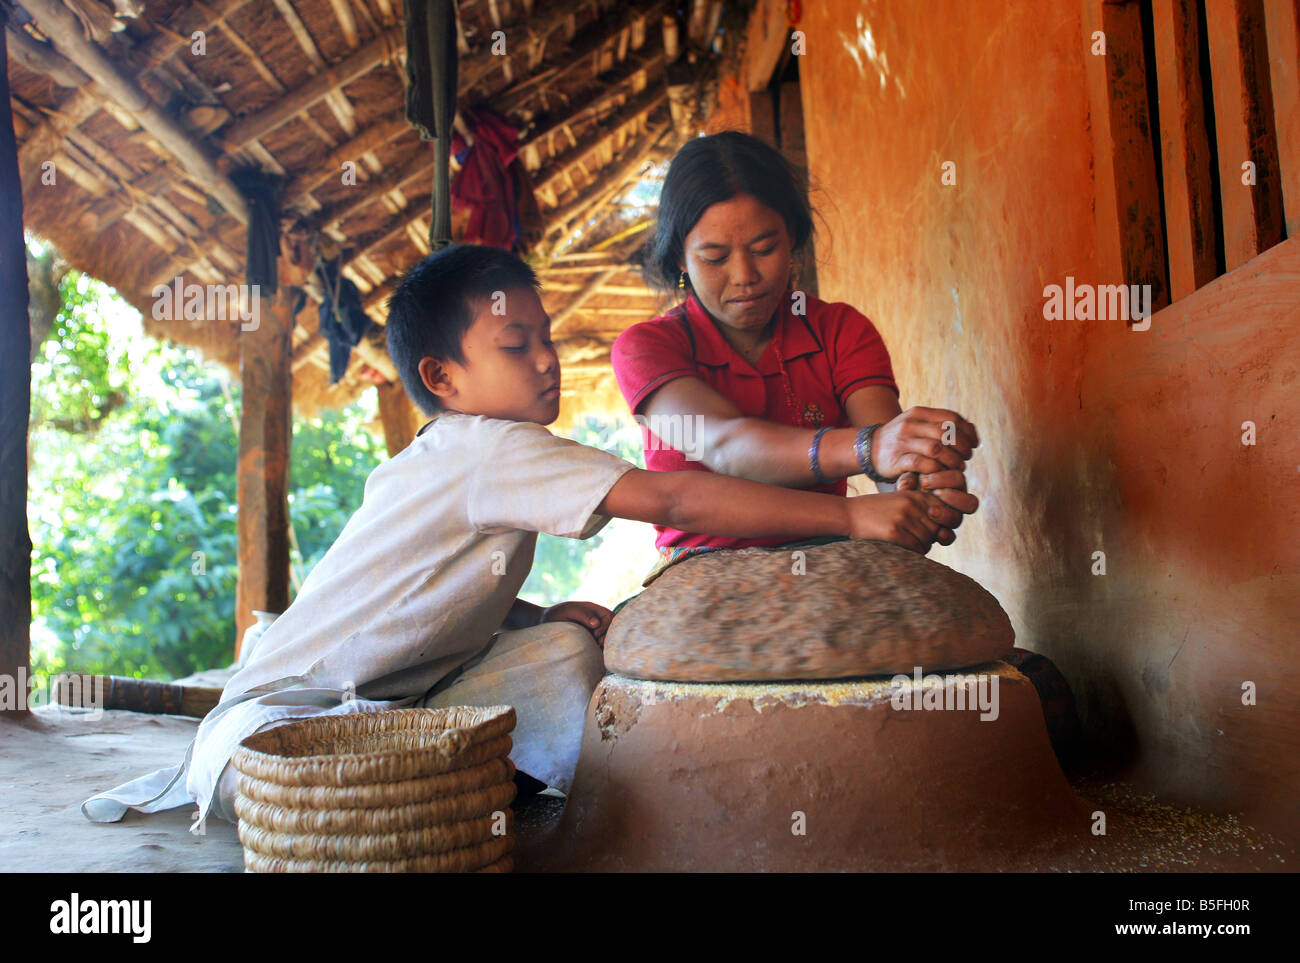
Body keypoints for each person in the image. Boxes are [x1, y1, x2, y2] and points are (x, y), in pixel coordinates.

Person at [82, 243, 965, 829]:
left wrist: (533, 614)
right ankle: (469, 797)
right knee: (375, 800)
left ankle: (474, 785)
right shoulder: (492, 447)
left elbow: (423, 595)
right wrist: (851, 512)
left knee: (563, 649)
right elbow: (678, 498)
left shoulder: (467, 450)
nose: (546, 358)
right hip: (276, 736)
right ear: (444, 377)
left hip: (386, 709)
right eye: (516, 344)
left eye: (546, 338)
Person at [612, 131, 981, 573]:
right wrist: (874, 450)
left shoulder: (840, 330)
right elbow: (726, 447)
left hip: (832, 556)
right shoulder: (647, 348)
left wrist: (922, 483)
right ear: (679, 259)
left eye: (764, 249)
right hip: (702, 571)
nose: (745, 275)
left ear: (794, 239)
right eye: (714, 258)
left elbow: (890, 471)